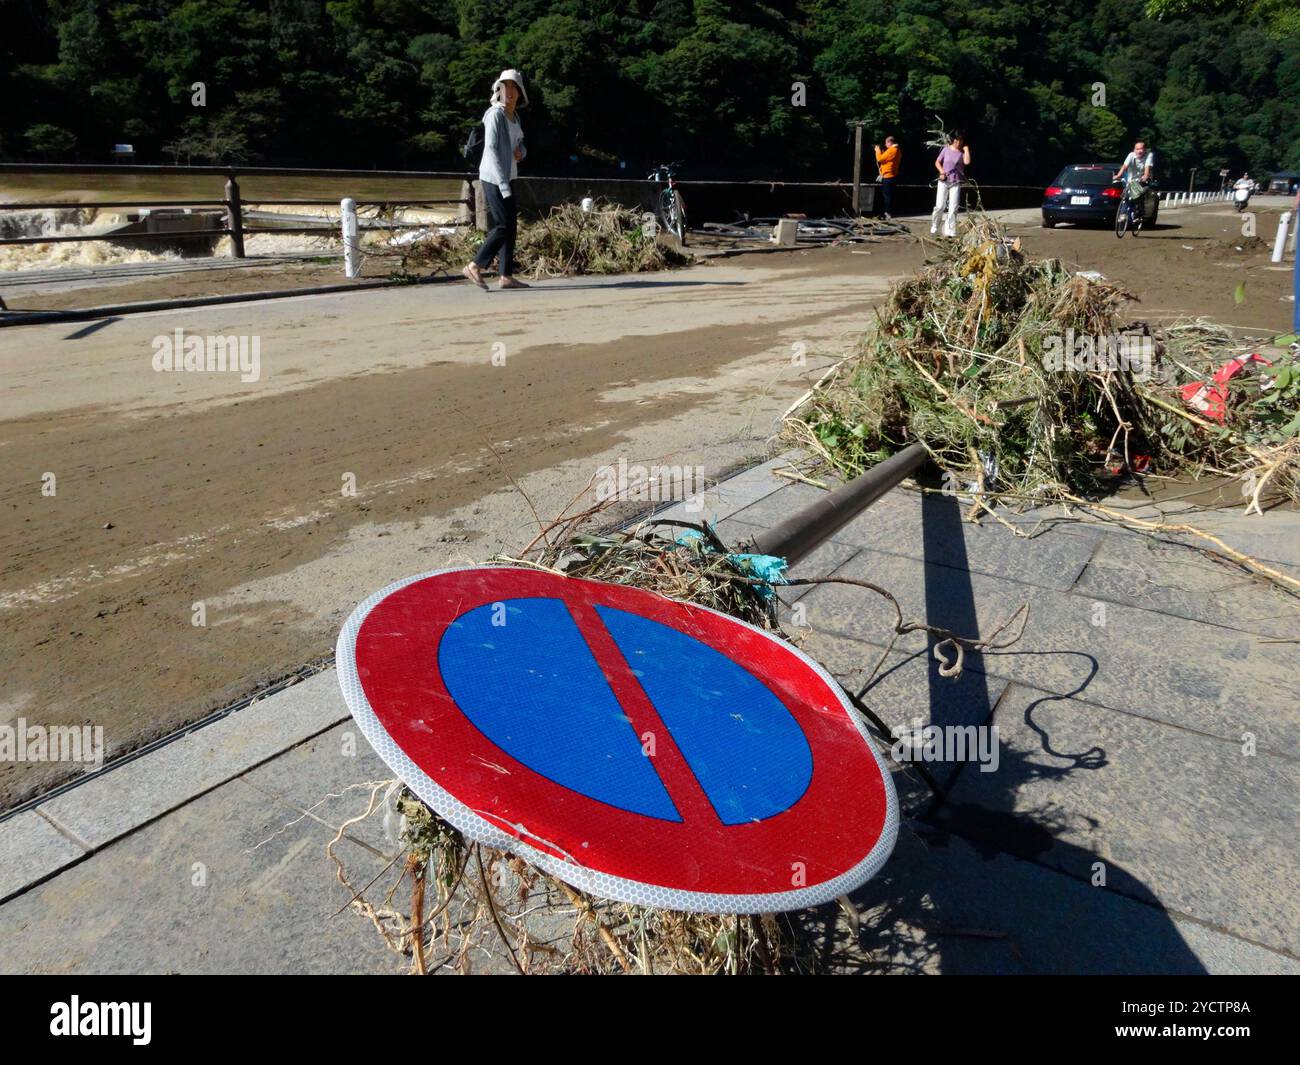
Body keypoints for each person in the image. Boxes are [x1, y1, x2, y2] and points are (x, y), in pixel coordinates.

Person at [464, 69, 530, 291]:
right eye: (504, 87)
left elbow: (519, 142)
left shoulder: (515, 117)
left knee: (510, 227)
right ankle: (474, 265)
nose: (509, 92)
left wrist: (522, 150)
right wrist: (502, 183)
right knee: (502, 225)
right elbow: (491, 148)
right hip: (493, 177)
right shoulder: (495, 114)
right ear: (498, 91)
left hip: (509, 176)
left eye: (513, 88)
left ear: (520, 93)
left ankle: (505, 276)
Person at [930, 131, 970, 237]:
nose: (961, 142)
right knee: (940, 206)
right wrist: (942, 171)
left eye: (962, 141)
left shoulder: (962, 152)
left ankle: (950, 230)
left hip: (956, 182)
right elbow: (937, 162)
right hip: (944, 181)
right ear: (955, 140)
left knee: (953, 207)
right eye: (960, 140)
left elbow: (967, 162)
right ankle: (935, 224)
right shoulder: (946, 149)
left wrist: (966, 150)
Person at [873, 136, 901, 219]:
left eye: (886, 143)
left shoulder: (892, 150)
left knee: (887, 196)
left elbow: (880, 159)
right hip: (892, 176)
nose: (885, 145)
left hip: (888, 176)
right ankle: (888, 211)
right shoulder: (897, 150)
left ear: (890, 142)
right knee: (890, 195)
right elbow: (886, 159)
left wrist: (877, 151)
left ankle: (887, 212)